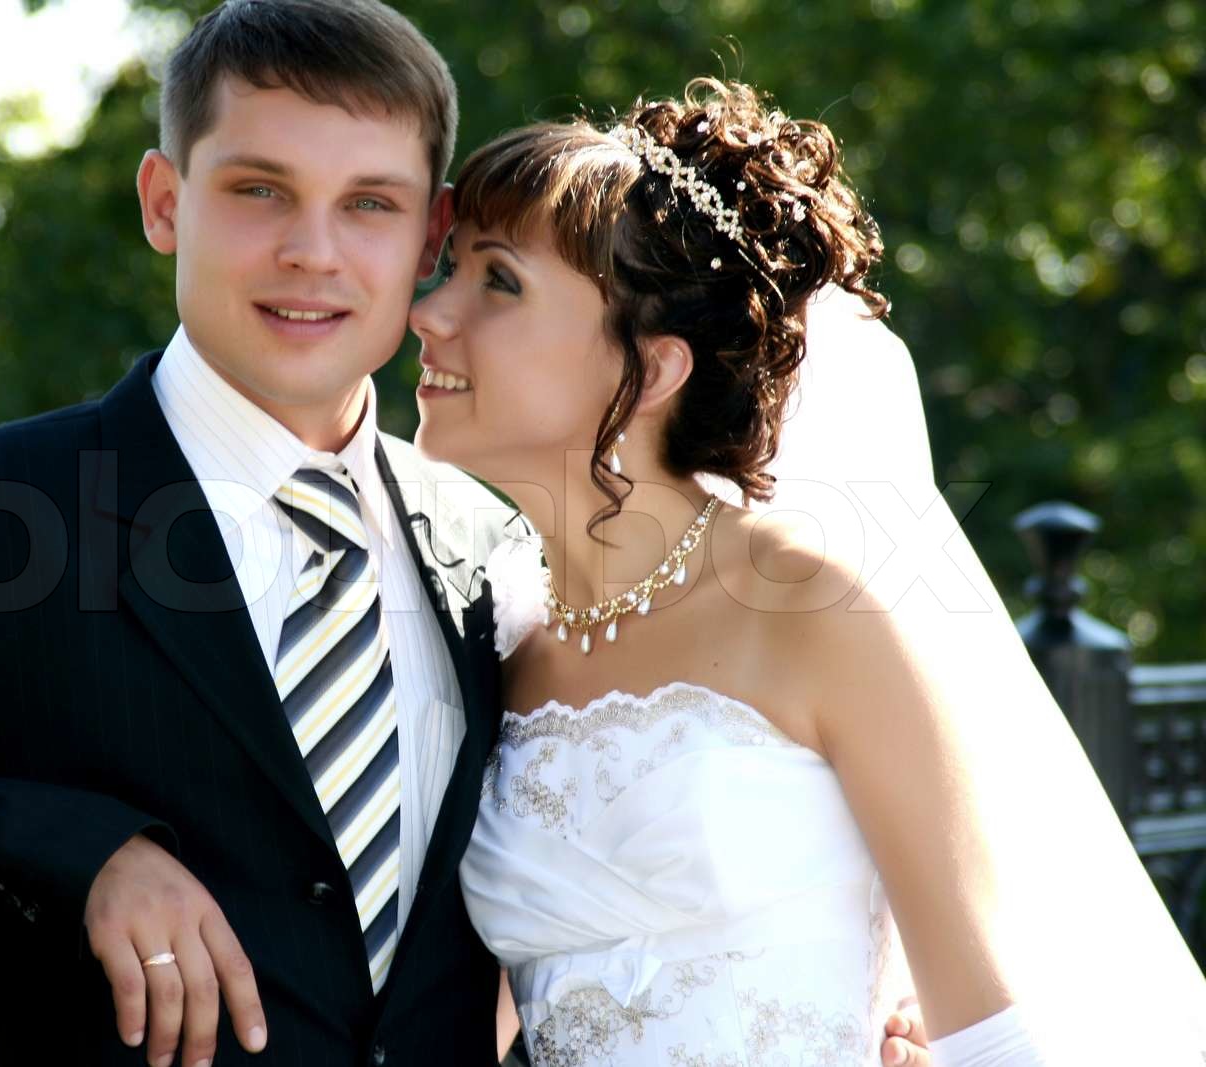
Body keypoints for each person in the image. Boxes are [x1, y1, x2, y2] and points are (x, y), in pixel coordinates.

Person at [0, 3, 933, 1065]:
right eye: (260, 190)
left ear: (431, 235)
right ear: (166, 200)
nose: (311, 253)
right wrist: (76, 847)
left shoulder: (500, 556)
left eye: (367, 205)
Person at [412, 78, 1206, 1065]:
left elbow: (993, 1025)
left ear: (651, 371)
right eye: (447, 268)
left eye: (497, 280)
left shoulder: (807, 599)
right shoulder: (498, 637)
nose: (429, 313)